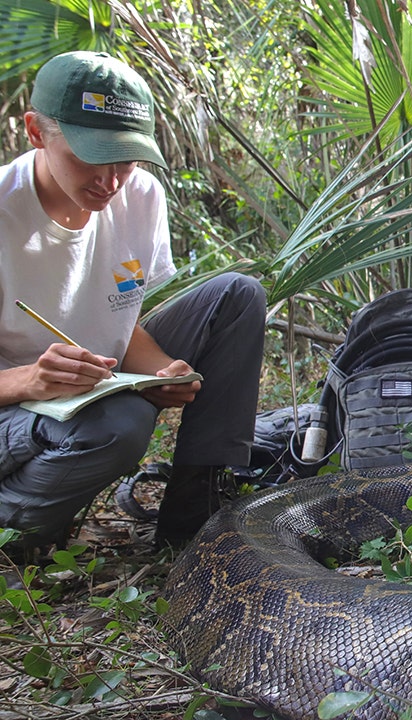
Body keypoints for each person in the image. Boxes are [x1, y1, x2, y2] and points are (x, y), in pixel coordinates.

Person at [0, 51, 266, 554]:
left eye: (124, 158)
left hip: (88, 385)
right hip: (14, 410)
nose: (109, 181)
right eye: (88, 156)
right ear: (36, 132)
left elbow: (120, 321)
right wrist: (28, 380)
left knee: (237, 294)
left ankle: (195, 515)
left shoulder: (139, 195)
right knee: (120, 424)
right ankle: (16, 528)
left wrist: (165, 371)